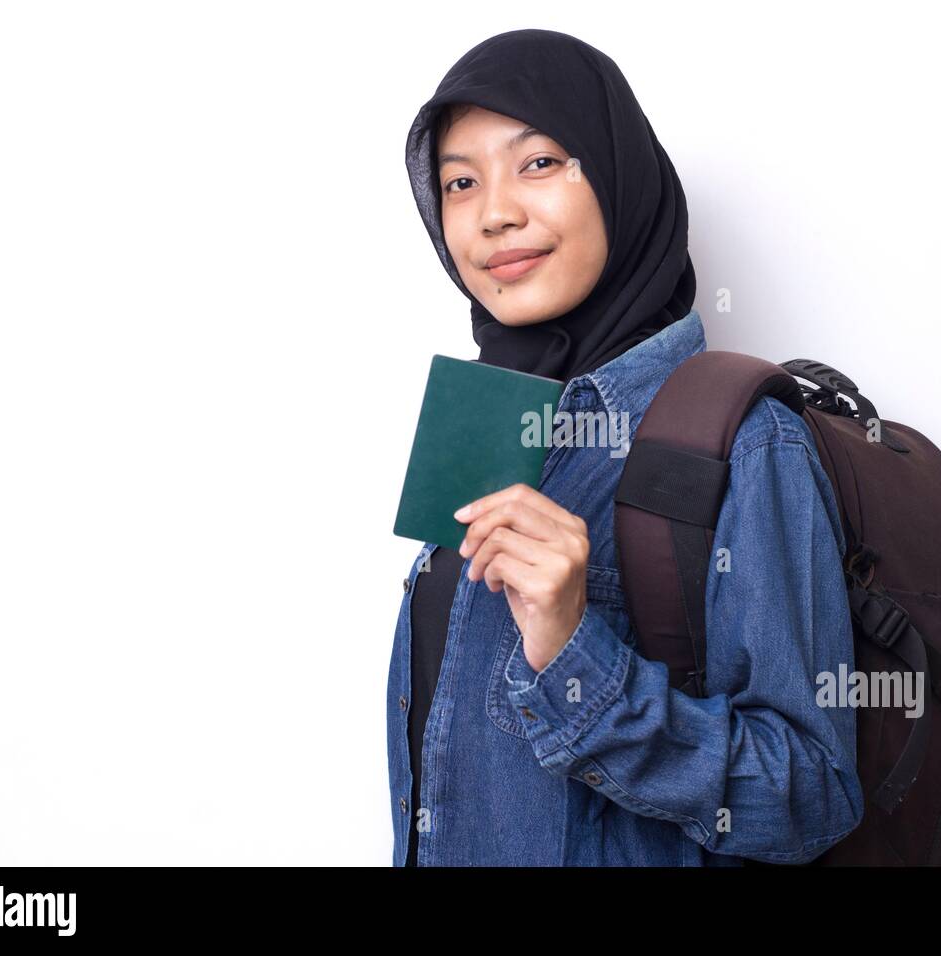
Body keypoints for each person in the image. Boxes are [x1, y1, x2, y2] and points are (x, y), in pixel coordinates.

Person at [388, 28, 863, 866]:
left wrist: (580, 659)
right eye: (460, 181)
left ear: (619, 177)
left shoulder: (746, 446)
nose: (494, 211)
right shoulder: (479, 429)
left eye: (538, 163)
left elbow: (812, 795)